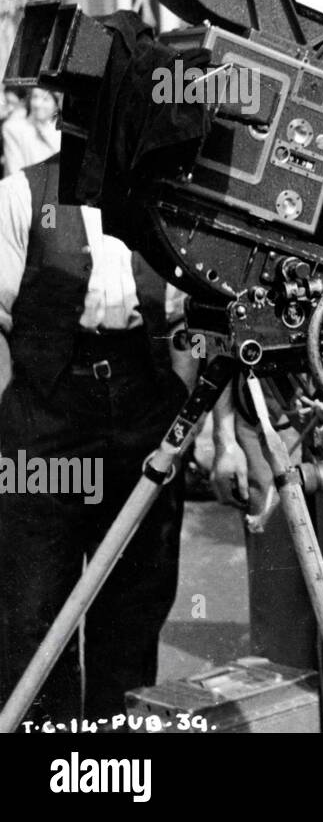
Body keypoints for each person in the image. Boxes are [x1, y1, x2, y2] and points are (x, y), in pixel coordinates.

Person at [0, 153, 193, 724]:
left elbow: (193, 324)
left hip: (144, 410)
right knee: (34, 605)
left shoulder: (177, 198)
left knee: (133, 606)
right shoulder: (22, 195)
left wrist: (186, 422)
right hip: (49, 420)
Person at [2, 87, 61, 176]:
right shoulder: (15, 129)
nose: (37, 104)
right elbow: (14, 172)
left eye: (45, 99)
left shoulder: (59, 132)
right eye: (34, 97)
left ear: (56, 105)